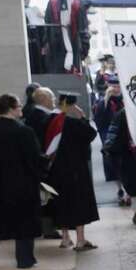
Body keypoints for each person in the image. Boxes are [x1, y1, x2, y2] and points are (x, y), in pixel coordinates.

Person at [0, 94, 41, 269]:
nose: (21, 108)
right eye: (19, 106)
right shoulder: (24, 131)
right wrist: (41, 175)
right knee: (24, 223)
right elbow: (34, 160)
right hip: (22, 185)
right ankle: (25, 260)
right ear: (12, 109)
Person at [45, 93, 99, 250]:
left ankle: (65, 238)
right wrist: (82, 117)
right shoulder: (72, 123)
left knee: (61, 202)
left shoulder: (48, 121)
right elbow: (91, 134)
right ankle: (80, 239)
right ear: (70, 106)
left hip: (55, 169)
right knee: (78, 202)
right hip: (75, 168)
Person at [93, 76, 125, 199]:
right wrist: (106, 100)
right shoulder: (103, 102)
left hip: (124, 135)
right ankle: (120, 188)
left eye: (118, 86)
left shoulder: (125, 100)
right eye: (113, 86)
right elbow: (99, 119)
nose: (116, 89)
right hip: (111, 136)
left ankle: (126, 188)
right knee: (115, 163)